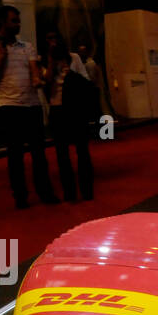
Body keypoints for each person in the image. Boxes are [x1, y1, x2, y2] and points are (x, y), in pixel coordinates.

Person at [0, 5, 59, 208]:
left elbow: (34, 70)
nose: (18, 24)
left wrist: (38, 80)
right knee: (15, 155)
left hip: (32, 105)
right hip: (10, 107)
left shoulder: (27, 46)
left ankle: (45, 192)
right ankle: (20, 196)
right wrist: (2, 56)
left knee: (39, 154)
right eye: (14, 20)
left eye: (18, 20)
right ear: (2, 22)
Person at [46, 44, 94, 201]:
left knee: (81, 152)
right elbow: (46, 84)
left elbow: (86, 82)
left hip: (74, 111)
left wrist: (70, 73)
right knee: (63, 155)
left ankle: (86, 191)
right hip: (57, 111)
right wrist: (51, 65)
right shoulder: (48, 66)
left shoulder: (74, 61)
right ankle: (71, 192)